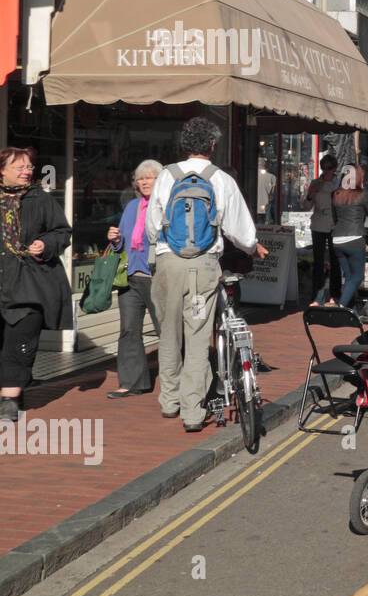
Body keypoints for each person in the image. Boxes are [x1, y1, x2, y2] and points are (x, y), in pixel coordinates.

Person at [146, 119, 268, 432]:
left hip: (168, 263)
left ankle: (169, 402)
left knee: (169, 333)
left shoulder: (166, 176)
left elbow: (152, 225)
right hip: (203, 267)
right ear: (212, 146)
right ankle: (192, 411)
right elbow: (239, 229)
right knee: (199, 337)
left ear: (184, 144)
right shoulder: (221, 179)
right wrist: (254, 248)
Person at [0, 147, 73, 422]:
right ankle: (16, 390)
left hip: (30, 284)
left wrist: (46, 244)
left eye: (29, 166)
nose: (27, 171)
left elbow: (62, 232)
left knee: (19, 341)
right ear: (2, 170)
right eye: (19, 166)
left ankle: (9, 399)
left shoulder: (39, 199)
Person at [105, 159, 162, 399]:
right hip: (131, 278)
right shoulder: (132, 207)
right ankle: (131, 382)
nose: (145, 181)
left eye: (151, 177)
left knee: (166, 330)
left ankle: (176, 382)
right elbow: (122, 245)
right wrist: (115, 239)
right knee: (129, 330)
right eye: (141, 178)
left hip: (158, 278)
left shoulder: (167, 206)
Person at [323, 164, 368, 310]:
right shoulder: (362, 194)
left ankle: (352, 310)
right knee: (356, 277)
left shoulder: (336, 194)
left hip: (337, 239)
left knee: (349, 277)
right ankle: (342, 306)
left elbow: (334, 218)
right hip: (355, 238)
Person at [304, 154, 340, 305]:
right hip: (318, 224)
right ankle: (316, 296)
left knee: (335, 261)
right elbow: (305, 207)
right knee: (318, 262)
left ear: (334, 169)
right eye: (323, 168)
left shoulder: (339, 184)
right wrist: (310, 195)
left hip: (334, 225)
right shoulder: (315, 182)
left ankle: (334, 295)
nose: (326, 171)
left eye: (329, 168)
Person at [256, 158, 276, 224]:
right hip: (266, 206)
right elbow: (272, 193)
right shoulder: (272, 177)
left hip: (254, 206)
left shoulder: (250, 175)